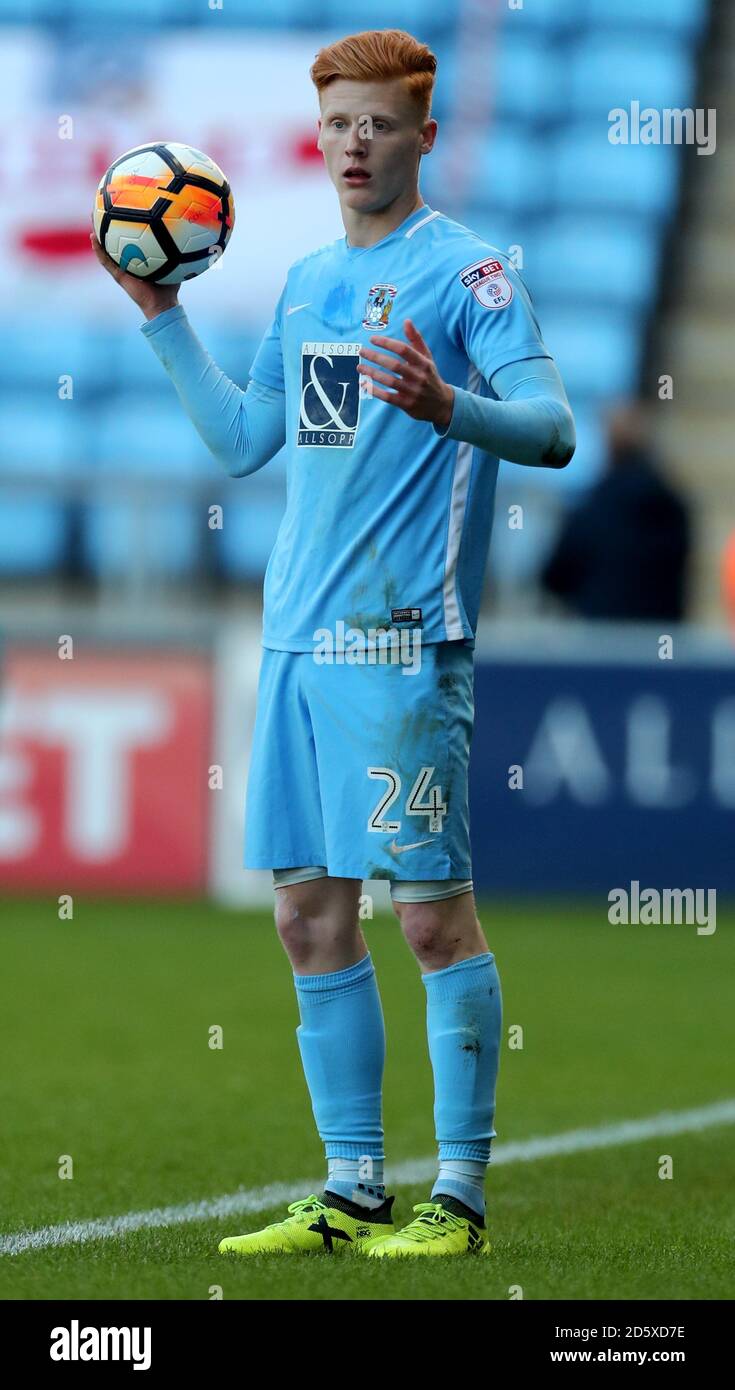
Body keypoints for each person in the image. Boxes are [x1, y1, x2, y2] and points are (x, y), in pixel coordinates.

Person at [91, 28, 575, 1259]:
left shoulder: (469, 277)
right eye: (338, 124)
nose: (356, 144)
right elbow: (246, 441)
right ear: (318, 136)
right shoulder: (308, 281)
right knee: (309, 916)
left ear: (424, 134)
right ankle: (352, 1190)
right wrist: (163, 317)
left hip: (402, 643)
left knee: (430, 919)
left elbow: (555, 427)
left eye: (379, 125)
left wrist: (448, 404)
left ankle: (458, 1200)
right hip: (297, 644)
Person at [541, 401, 689, 621]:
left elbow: (554, 577)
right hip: (658, 634)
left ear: (607, 446)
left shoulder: (590, 507)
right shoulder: (674, 509)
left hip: (601, 634)